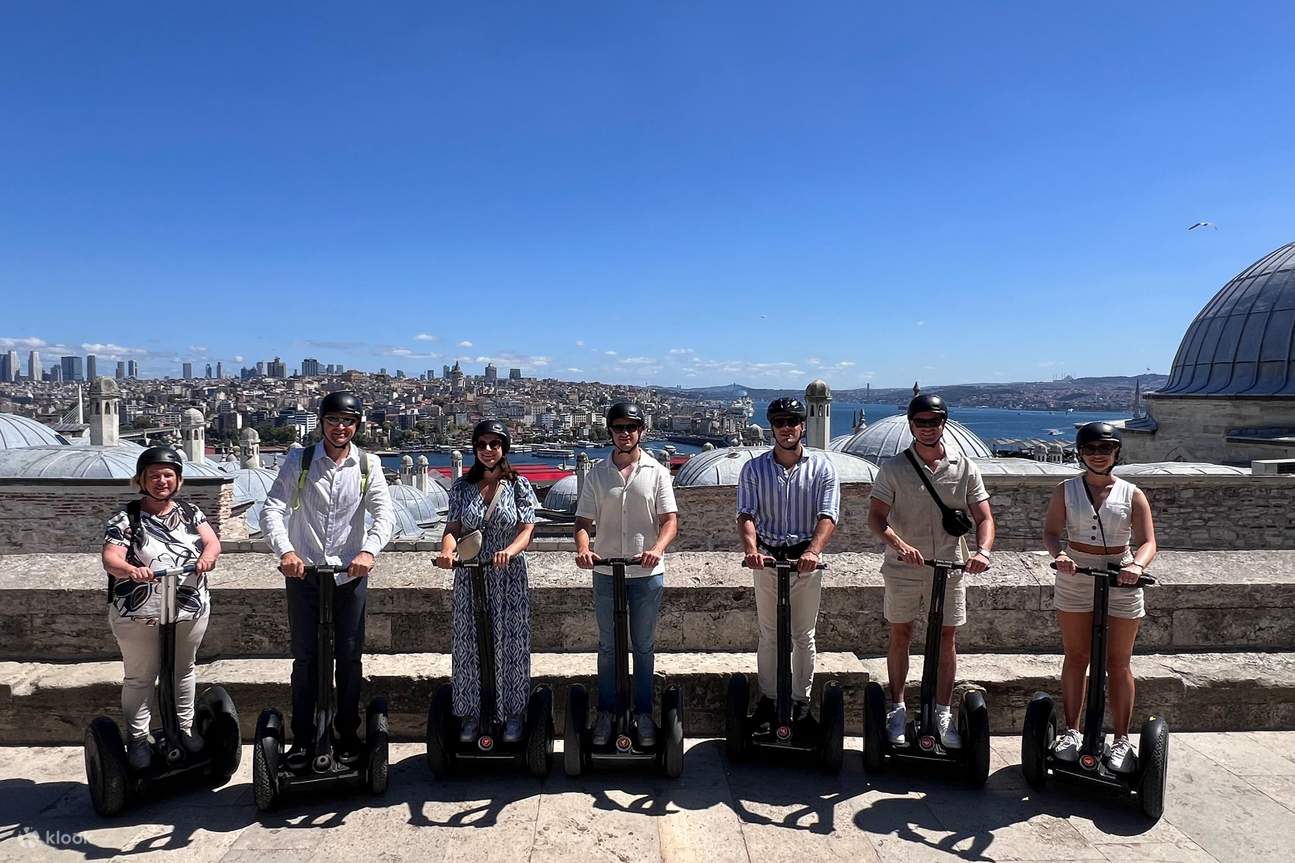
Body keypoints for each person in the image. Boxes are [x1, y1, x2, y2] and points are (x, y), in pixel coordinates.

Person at [261, 391, 394, 769]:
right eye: (334, 420)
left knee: (349, 659)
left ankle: (347, 733)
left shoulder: (368, 464)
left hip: (348, 575)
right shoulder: (299, 459)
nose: (341, 427)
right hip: (304, 574)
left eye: (348, 421)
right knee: (305, 659)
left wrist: (368, 551)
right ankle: (304, 738)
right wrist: (285, 551)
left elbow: (384, 515)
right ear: (321, 422)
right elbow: (273, 508)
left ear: (357, 425)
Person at [867, 393, 995, 749]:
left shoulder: (964, 467)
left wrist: (983, 552)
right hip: (903, 567)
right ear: (911, 425)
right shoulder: (893, 468)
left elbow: (984, 517)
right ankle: (897, 706)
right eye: (921, 422)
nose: (927, 428)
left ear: (943, 424)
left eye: (934, 422)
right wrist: (899, 545)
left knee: (947, 639)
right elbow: (876, 518)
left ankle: (941, 710)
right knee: (901, 634)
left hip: (950, 566)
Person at [1043, 421, 1157, 773]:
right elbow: (1050, 531)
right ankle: (1072, 730)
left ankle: (1122, 737)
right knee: (1076, 656)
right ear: (1080, 452)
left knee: (1118, 662)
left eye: (1104, 449)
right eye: (1091, 449)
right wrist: (1059, 555)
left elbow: (1148, 541)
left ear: (1115, 453)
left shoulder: (1131, 493)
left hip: (1121, 574)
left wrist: (1136, 566)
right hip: (1077, 573)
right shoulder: (1066, 490)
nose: (1097, 455)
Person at [102, 446, 221, 770]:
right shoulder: (126, 517)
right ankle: (139, 738)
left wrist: (208, 556)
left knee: (184, 669)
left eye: (168, 475)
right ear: (141, 480)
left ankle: (184, 727)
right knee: (141, 676)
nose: (161, 481)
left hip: (187, 605)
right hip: (139, 609)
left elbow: (211, 541)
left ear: (178, 480)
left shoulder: (190, 512)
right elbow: (111, 557)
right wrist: (131, 570)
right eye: (153, 476)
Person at [574, 402, 679, 748]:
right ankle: (606, 713)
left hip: (646, 574)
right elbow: (583, 522)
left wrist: (657, 549)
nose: (625, 433)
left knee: (643, 647)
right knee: (607, 647)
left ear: (641, 432)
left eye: (631, 427)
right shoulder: (597, 475)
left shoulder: (657, 472)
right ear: (610, 432)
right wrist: (583, 549)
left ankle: (644, 714)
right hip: (606, 572)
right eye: (619, 427)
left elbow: (669, 522)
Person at [735, 397, 840, 731]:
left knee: (802, 635)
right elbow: (746, 514)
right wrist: (752, 550)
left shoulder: (822, 469)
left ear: (802, 426)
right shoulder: (754, 469)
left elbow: (828, 515)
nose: (786, 428)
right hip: (767, 559)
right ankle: (768, 698)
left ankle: (800, 701)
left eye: (792, 422)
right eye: (779, 422)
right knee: (769, 634)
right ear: (772, 428)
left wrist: (813, 551)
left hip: (804, 561)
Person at [436, 420, 539, 744]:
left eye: (495, 444)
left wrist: (508, 551)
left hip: (507, 576)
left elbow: (526, 529)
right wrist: (446, 552)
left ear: (504, 448)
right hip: (471, 575)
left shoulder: (519, 485)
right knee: (468, 645)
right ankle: (471, 713)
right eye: (482, 444)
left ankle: (512, 714)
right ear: (475, 449)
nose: (488, 450)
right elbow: (453, 528)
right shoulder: (462, 488)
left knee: (510, 645)